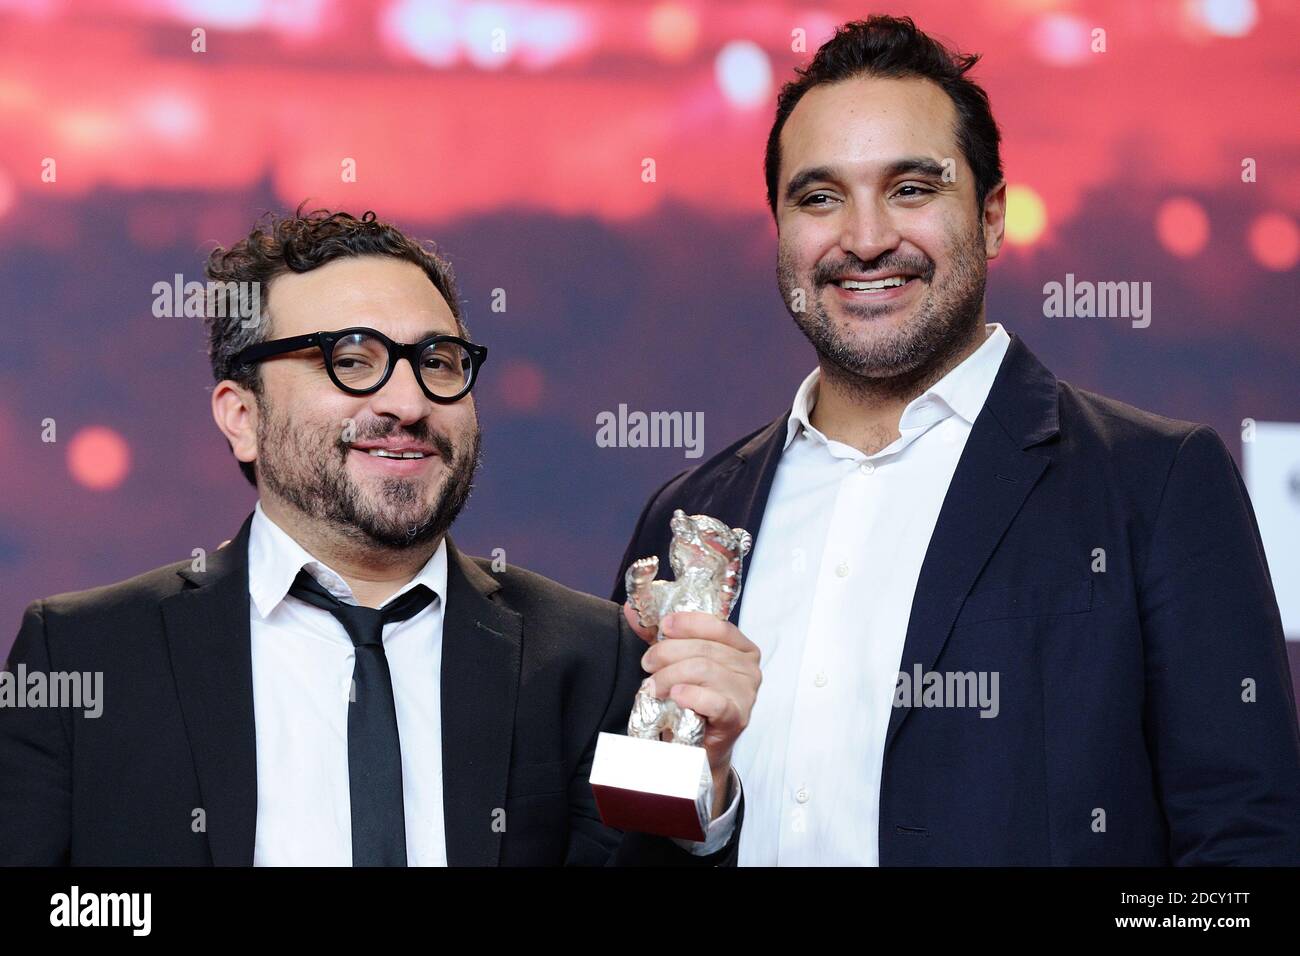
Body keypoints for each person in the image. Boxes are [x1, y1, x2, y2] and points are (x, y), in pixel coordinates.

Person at [612, 16, 1300, 865]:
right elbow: (622, 844)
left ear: (994, 218)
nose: (865, 240)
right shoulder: (685, 518)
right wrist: (708, 803)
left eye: (910, 189)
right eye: (820, 197)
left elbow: (1245, 848)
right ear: (779, 231)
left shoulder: (1154, 486)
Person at [0, 208, 759, 866]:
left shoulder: (591, 655)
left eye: (437, 362)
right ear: (242, 415)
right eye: (351, 360)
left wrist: (704, 783)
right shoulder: (85, 655)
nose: (407, 400)